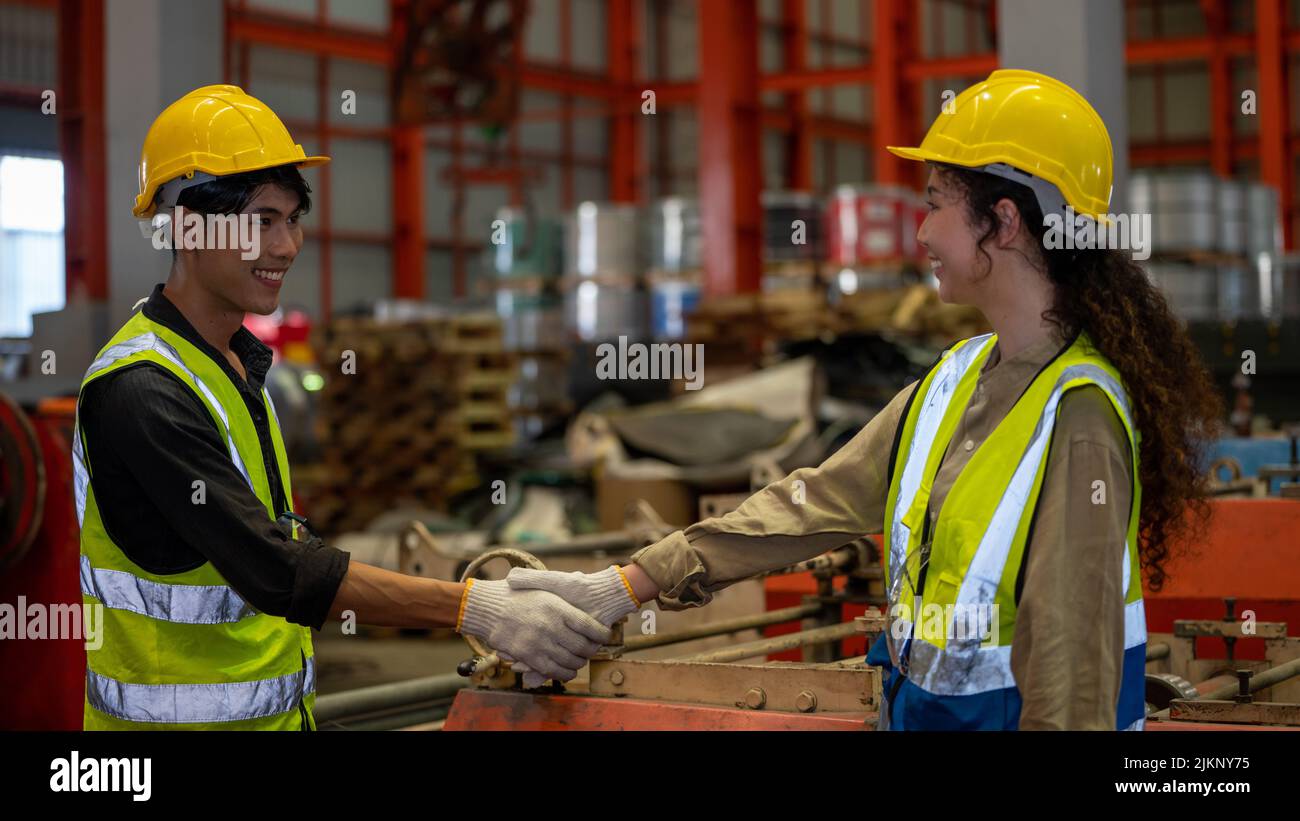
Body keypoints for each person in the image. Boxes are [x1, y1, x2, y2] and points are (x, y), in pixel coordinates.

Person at [504, 69, 1224, 730]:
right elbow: (810, 502)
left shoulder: (1079, 420)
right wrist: (628, 583)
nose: (921, 232)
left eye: (936, 203)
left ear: (1003, 222)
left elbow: (1072, 690)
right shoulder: (956, 377)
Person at [74, 85, 609, 730]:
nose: (286, 246)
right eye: (260, 221)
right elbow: (276, 570)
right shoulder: (142, 389)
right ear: (187, 225)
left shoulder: (233, 365)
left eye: (292, 218)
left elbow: (280, 543)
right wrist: (478, 608)